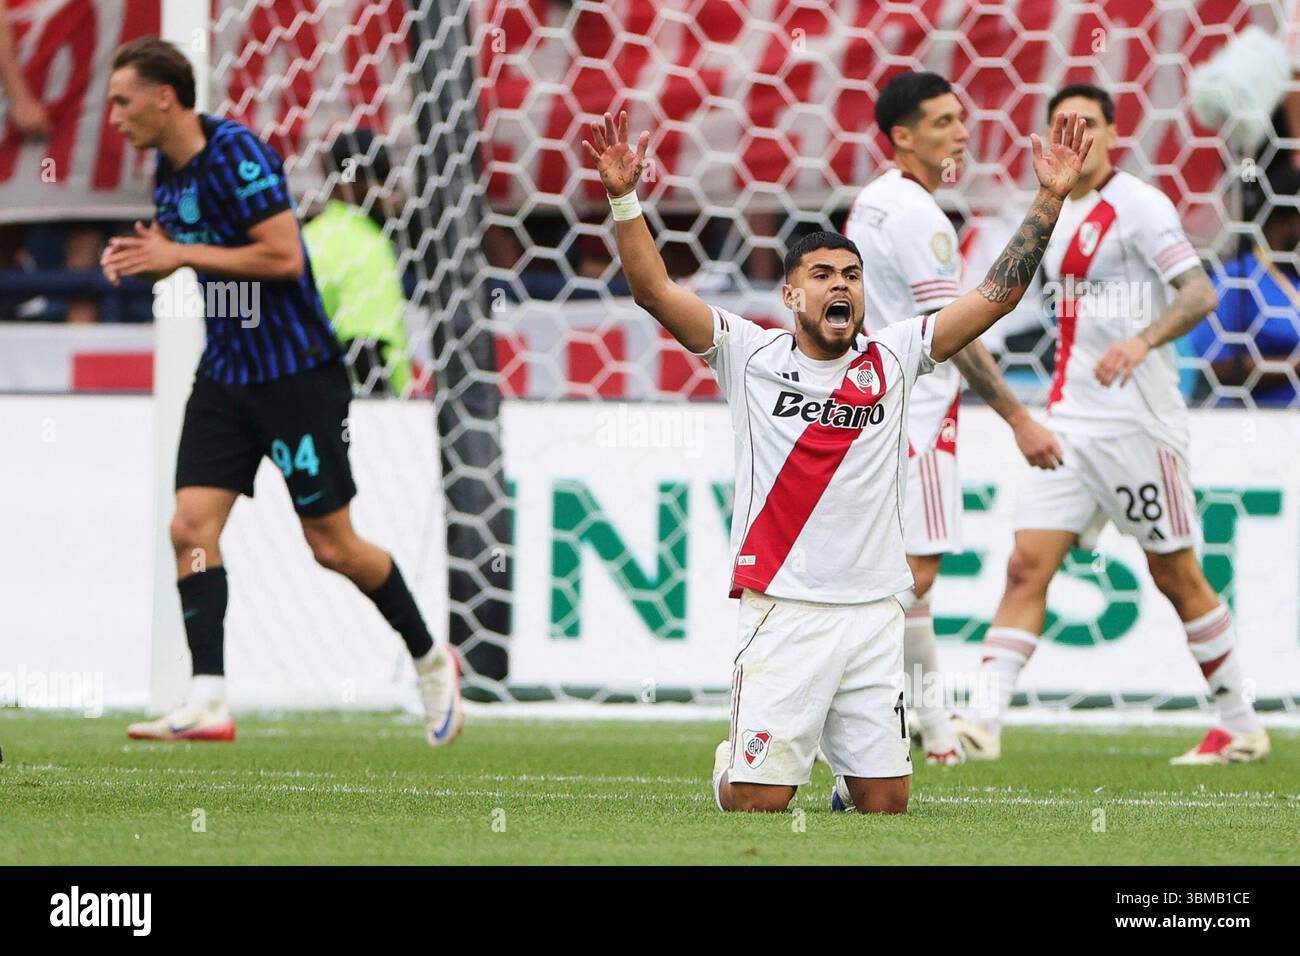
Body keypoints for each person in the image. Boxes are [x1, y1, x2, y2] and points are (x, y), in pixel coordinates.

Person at [584, 108, 1092, 812]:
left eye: (851, 275)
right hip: (785, 610)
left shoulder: (898, 354)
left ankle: (848, 766)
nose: (841, 286)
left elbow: (994, 298)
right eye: (822, 275)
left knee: (886, 805)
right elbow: (653, 291)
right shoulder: (748, 353)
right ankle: (737, 760)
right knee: (758, 803)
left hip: (873, 613)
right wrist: (623, 198)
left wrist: (1049, 199)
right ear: (790, 295)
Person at [99, 37, 461, 745]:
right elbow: (203, 263)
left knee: (333, 546)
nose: (114, 117)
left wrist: (180, 254)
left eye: (122, 100)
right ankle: (207, 699)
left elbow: (283, 256)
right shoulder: (165, 176)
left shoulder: (237, 153)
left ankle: (428, 658)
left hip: (294, 375)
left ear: (164, 97)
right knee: (190, 529)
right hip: (227, 375)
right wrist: (156, 264)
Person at [965, 84, 1269, 766]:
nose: (1077, 136)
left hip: (1137, 423)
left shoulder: (1139, 206)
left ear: (1113, 134)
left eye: (1090, 125)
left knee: (1174, 574)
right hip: (1069, 421)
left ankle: (1240, 721)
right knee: (1024, 565)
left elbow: (1200, 293)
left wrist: (1143, 341)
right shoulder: (1052, 212)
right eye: (1063, 125)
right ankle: (981, 724)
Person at [844, 72, 1064, 765]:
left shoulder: (870, 203)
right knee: (911, 574)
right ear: (902, 138)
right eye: (941, 122)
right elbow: (954, 333)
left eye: (961, 118)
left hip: (873, 406)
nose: (960, 133)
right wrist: (1019, 418)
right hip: (916, 414)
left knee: (900, 578)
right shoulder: (918, 216)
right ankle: (858, 717)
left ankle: (933, 737)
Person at [302, 129, 414, 396]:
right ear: (349, 183)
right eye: (381, 176)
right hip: (359, 412)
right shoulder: (367, 245)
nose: (392, 191)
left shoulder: (307, 236)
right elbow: (366, 346)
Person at [1189, 169, 1300, 407]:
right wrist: (1292, 367)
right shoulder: (1237, 277)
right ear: (1281, 219)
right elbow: (1215, 366)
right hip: (1257, 425)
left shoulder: (1293, 278)